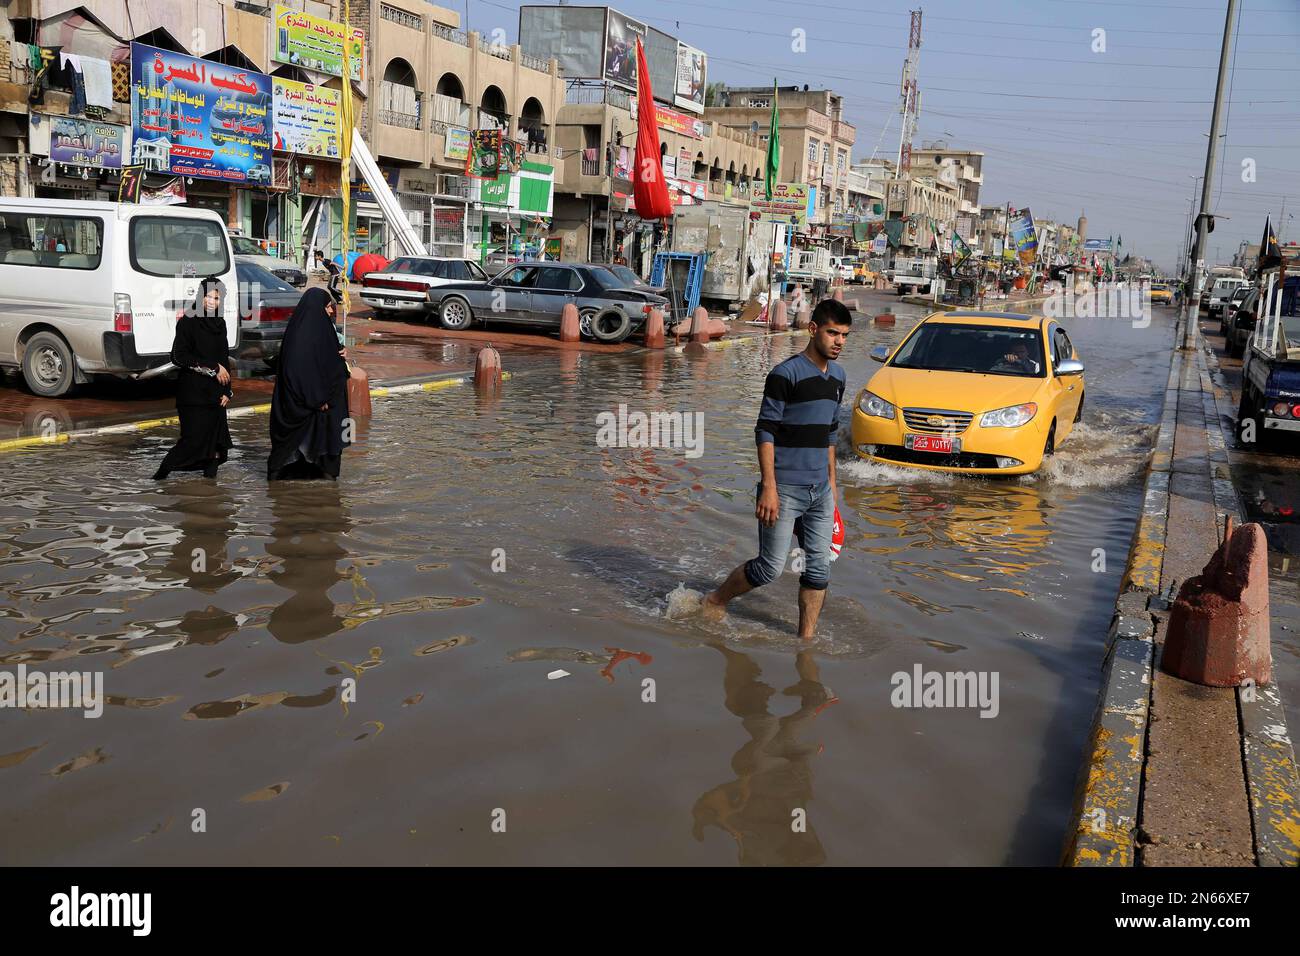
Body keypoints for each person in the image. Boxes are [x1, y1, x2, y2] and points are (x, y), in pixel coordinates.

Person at [703, 299, 851, 640]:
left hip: (821, 493)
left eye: (844, 335)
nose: (839, 341)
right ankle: (715, 599)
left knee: (818, 569)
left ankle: (806, 642)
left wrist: (832, 488)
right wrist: (769, 486)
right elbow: (765, 430)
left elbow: (830, 434)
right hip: (784, 489)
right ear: (813, 330)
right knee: (769, 568)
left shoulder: (839, 377)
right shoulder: (785, 374)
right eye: (832, 333)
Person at [267, 287, 352, 481]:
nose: (331, 311)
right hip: (306, 402)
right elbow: (298, 372)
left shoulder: (322, 332)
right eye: (328, 307)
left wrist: (343, 353)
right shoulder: (299, 338)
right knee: (292, 452)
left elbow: (331, 363)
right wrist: (317, 399)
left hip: (323, 403)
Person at [153, 277, 233, 480]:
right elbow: (179, 356)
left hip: (216, 395)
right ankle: (159, 478)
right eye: (208, 297)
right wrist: (213, 367)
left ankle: (210, 493)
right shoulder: (188, 321)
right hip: (193, 394)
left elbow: (224, 358)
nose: (211, 302)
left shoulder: (220, 323)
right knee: (192, 441)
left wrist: (227, 391)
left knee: (216, 445)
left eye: (216, 298)